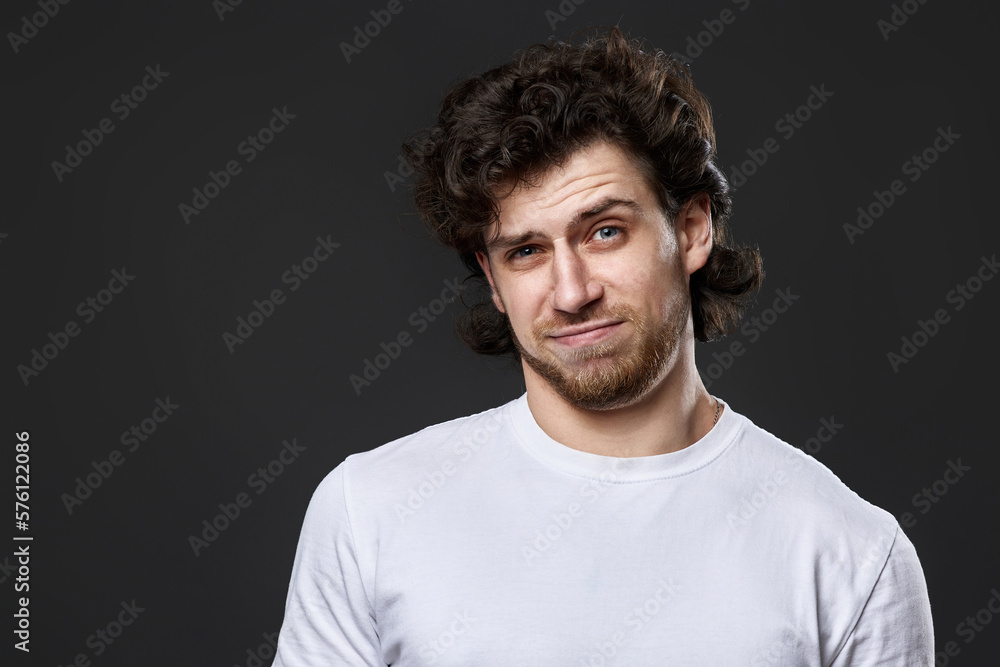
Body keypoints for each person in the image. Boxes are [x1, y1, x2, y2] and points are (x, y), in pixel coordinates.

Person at [272, 26, 934, 665]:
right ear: (493, 281)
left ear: (694, 230)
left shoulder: (851, 555)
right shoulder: (370, 512)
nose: (570, 290)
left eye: (605, 231)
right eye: (526, 250)